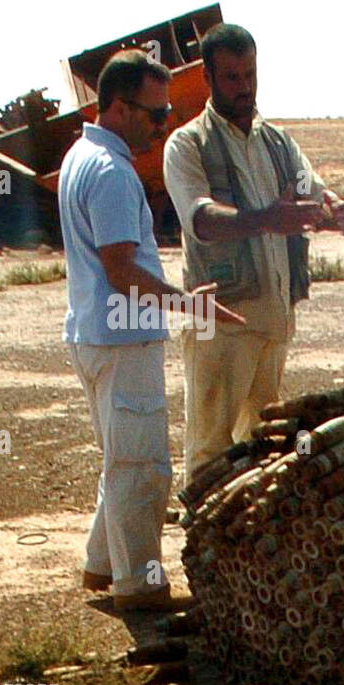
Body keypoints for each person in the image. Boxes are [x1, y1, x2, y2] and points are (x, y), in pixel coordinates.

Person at [59, 50, 242, 612]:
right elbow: (120, 270)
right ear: (117, 107)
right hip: (122, 339)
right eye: (155, 114)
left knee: (122, 455)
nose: (162, 126)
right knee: (141, 467)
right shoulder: (112, 172)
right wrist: (186, 304)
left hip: (95, 336)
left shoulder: (81, 154)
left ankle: (102, 565)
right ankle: (140, 585)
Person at [163, 23, 344, 481]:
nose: (244, 87)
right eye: (231, 77)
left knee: (265, 450)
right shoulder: (187, 145)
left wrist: (335, 209)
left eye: (250, 74)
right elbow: (202, 220)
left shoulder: (277, 142)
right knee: (210, 453)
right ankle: (204, 548)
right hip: (222, 327)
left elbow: (315, 190)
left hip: (274, 323)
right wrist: (269, 218)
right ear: (207, 78)